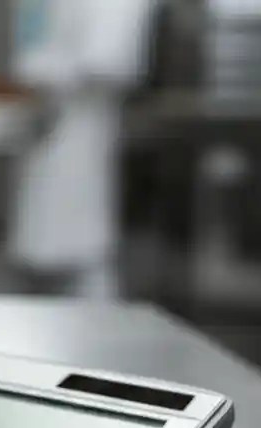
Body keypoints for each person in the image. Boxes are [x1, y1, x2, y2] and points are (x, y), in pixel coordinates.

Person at [10, 0, 155, 298]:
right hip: (57, 113)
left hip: (85, 116)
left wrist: (46, 70)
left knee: (81, 243)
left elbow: (106, 62)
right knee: (52, 235)